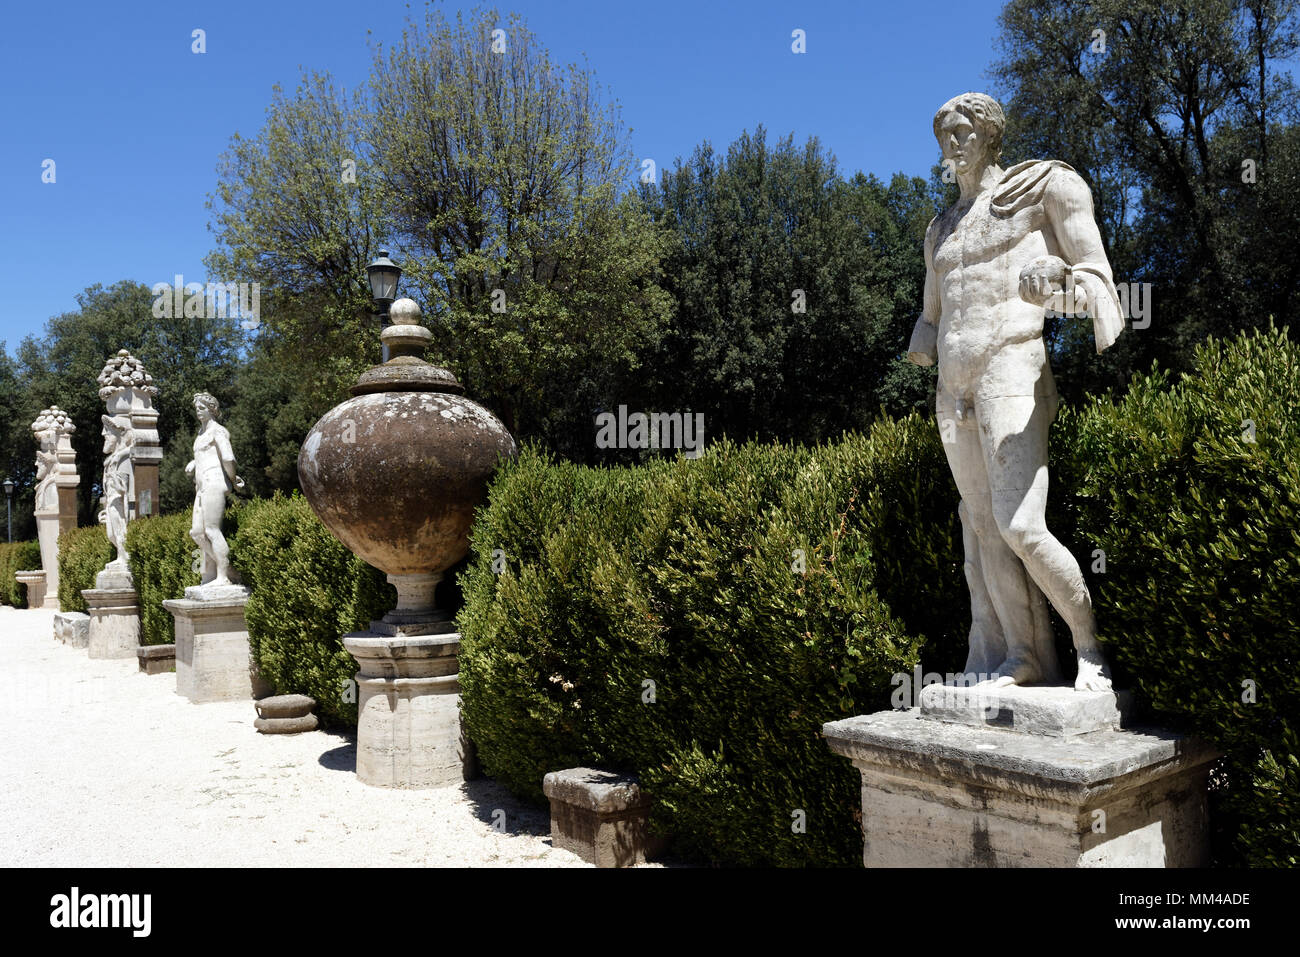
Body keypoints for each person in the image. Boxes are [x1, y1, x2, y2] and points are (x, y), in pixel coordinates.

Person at [906, 92, 1125, 691]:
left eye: (963, 132)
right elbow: (931, 317)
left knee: (1021, 526)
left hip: (1013, 364)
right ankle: (1021, 657)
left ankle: (1092, 651)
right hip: (954, 386)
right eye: (943, 136)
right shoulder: (940, 229)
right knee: (979, 527)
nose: (952, 145)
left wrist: (1055, 281)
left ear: (990, 134)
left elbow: (1094, 279)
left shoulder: (1042, 188)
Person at [185, 392, 244, 588]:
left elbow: (228, 457)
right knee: (196, 533)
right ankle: (227, 570)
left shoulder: (218, 431)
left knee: (211, 530)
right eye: (197, 409)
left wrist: (234, 478)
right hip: (201, 487)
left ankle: (222, 577)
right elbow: (208, 455)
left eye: (202, 408)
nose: (198, 412)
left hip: (214, 482)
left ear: (212, 410)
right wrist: (194, 463)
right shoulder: (201, 434)